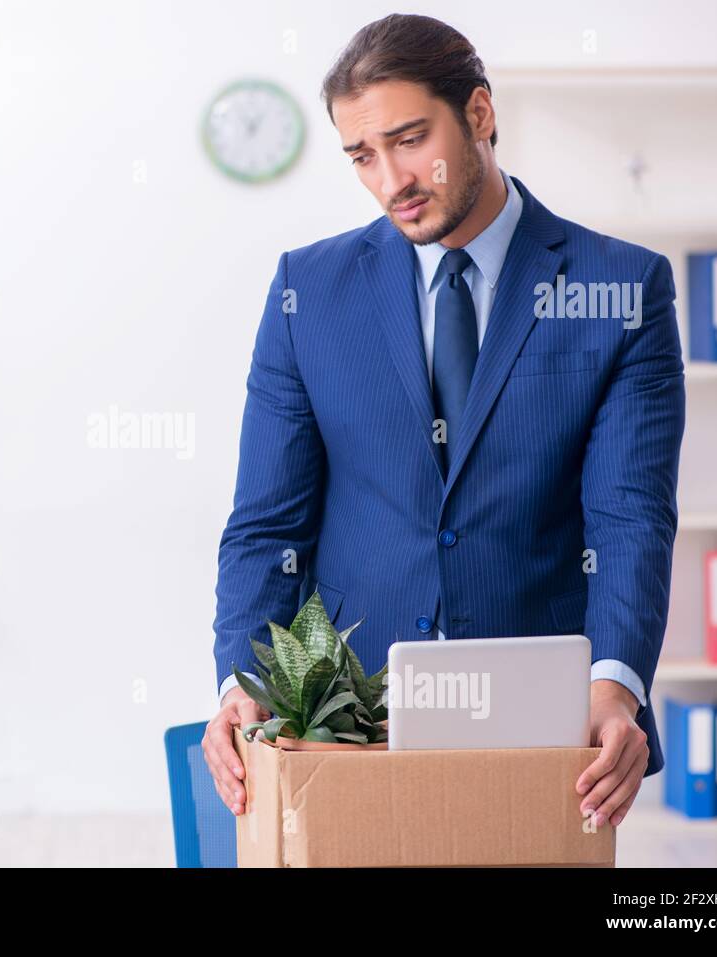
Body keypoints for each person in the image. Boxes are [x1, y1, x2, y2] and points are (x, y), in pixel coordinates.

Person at [204, 13, 683, 831]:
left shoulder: (622, 289)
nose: (392, 178)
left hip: (543, 733)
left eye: (409, 139)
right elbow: (265, 525)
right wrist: (244, 684)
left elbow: (630, 516)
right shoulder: (306, 294)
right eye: (362, 156)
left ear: (480, 114)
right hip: (342, 728)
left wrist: (614, 686)